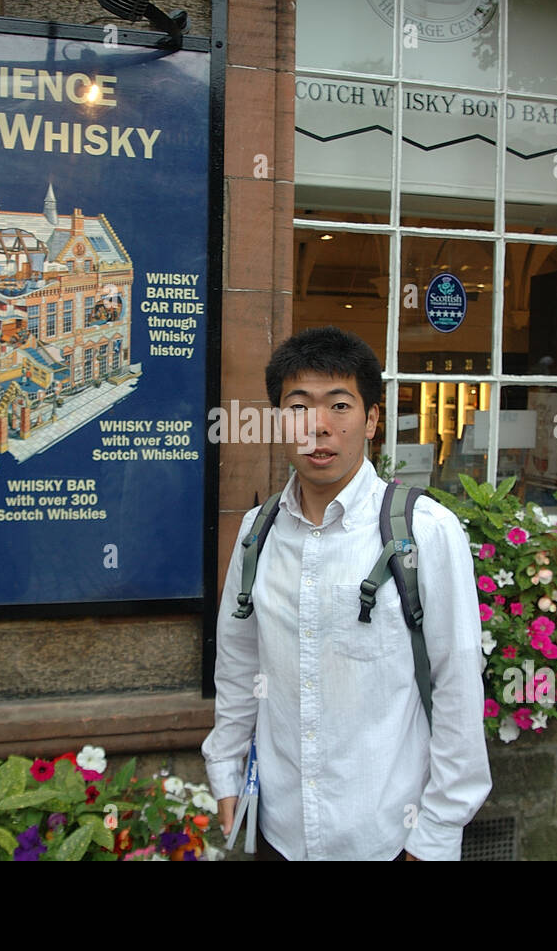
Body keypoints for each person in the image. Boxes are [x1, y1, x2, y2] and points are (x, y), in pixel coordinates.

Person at [201, 326, 492, 861]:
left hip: (387, 837)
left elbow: (456, 684)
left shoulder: (424, 530)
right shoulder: (257, 532)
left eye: (339, 405)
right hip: (279, 832)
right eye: (298, 406)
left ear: (373, 419)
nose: (318, 428)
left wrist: (434, 835)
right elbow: (240, 666)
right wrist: (225, 770)